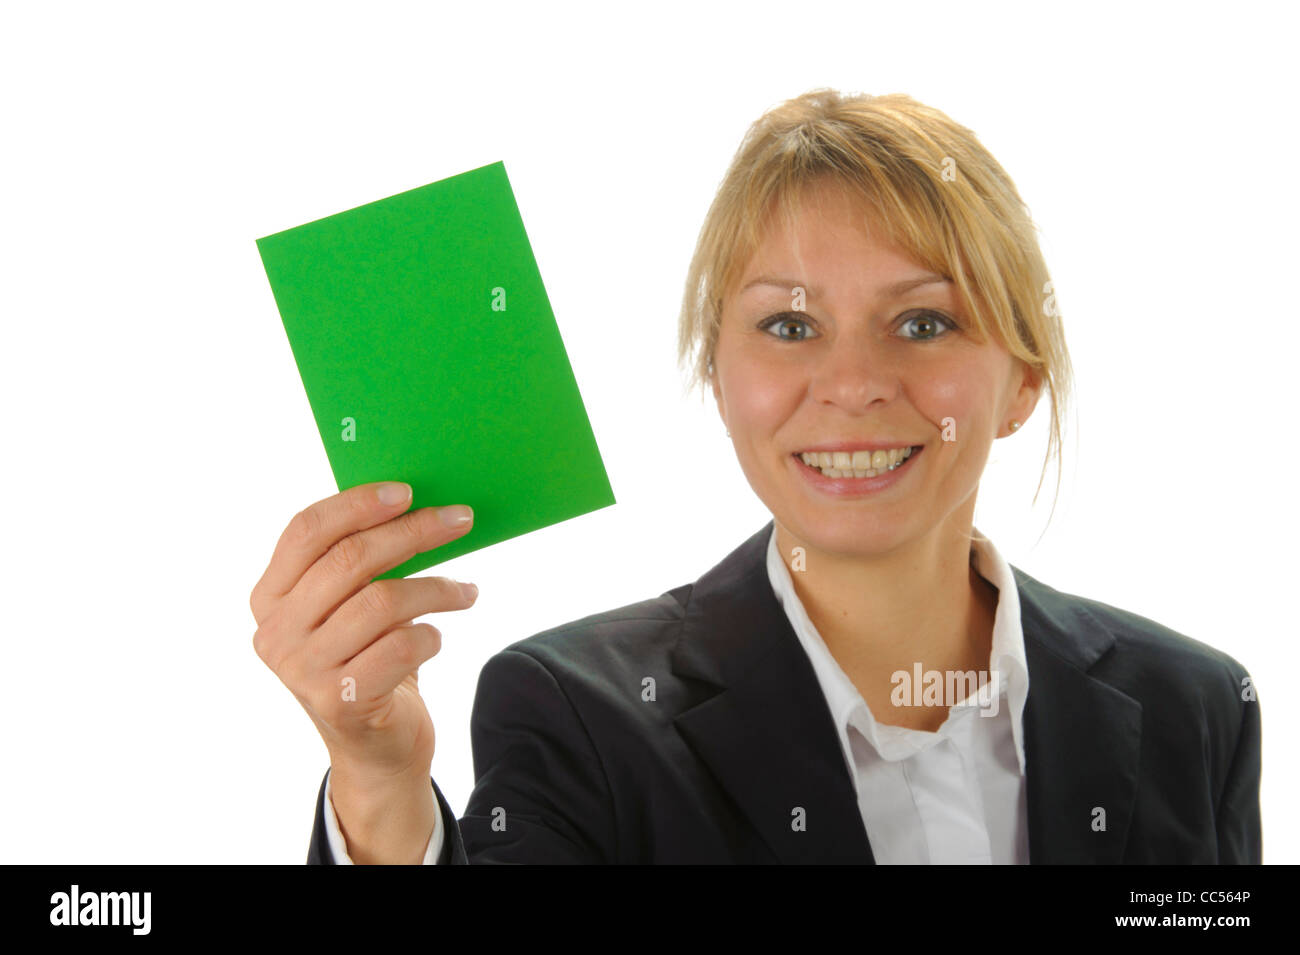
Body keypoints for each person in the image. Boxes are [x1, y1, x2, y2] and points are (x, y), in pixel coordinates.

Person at [250, 89, 1261, 864]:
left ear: (1021, 381)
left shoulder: (1194, 707)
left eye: (923, 321)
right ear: (719, 373)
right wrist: (380, 787)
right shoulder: (575, 716)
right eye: (788, 325)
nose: (855, 383)